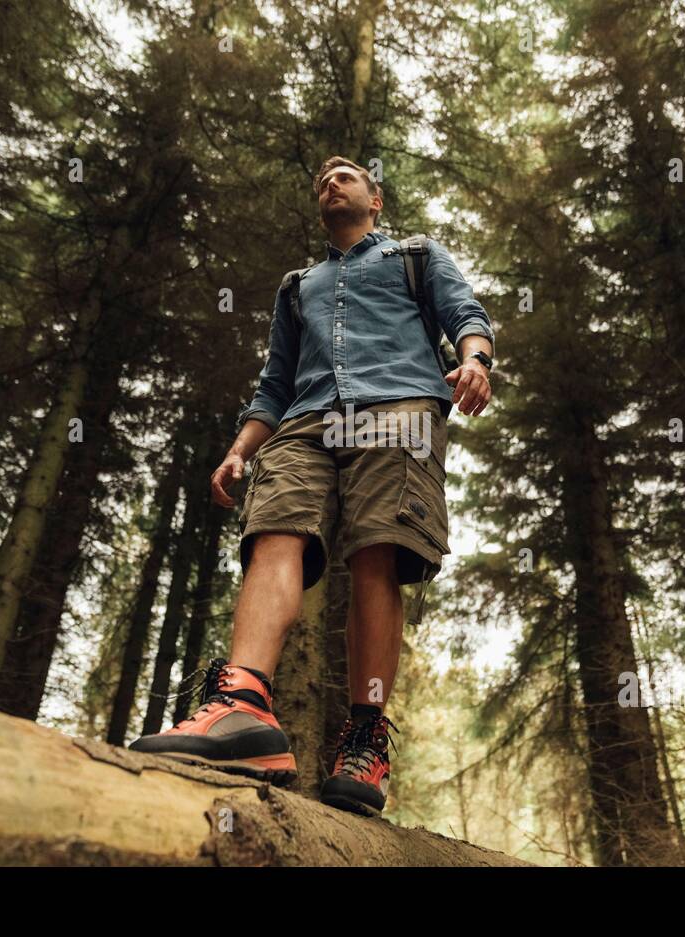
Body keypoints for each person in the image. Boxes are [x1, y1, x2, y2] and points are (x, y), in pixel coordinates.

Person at [129, 156, 495, 816]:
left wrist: (472, 359)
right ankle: (242, 708)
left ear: (375, 200)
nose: (332, 182)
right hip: (303, 422)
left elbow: (464, 310)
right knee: (274, 532)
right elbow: (274, 380)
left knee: (375, 552)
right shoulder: (299, 285)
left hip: (399, 408)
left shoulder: (415, 254)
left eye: (347, 175)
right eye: (323, 179)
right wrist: (241, 449)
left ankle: (365, 736)